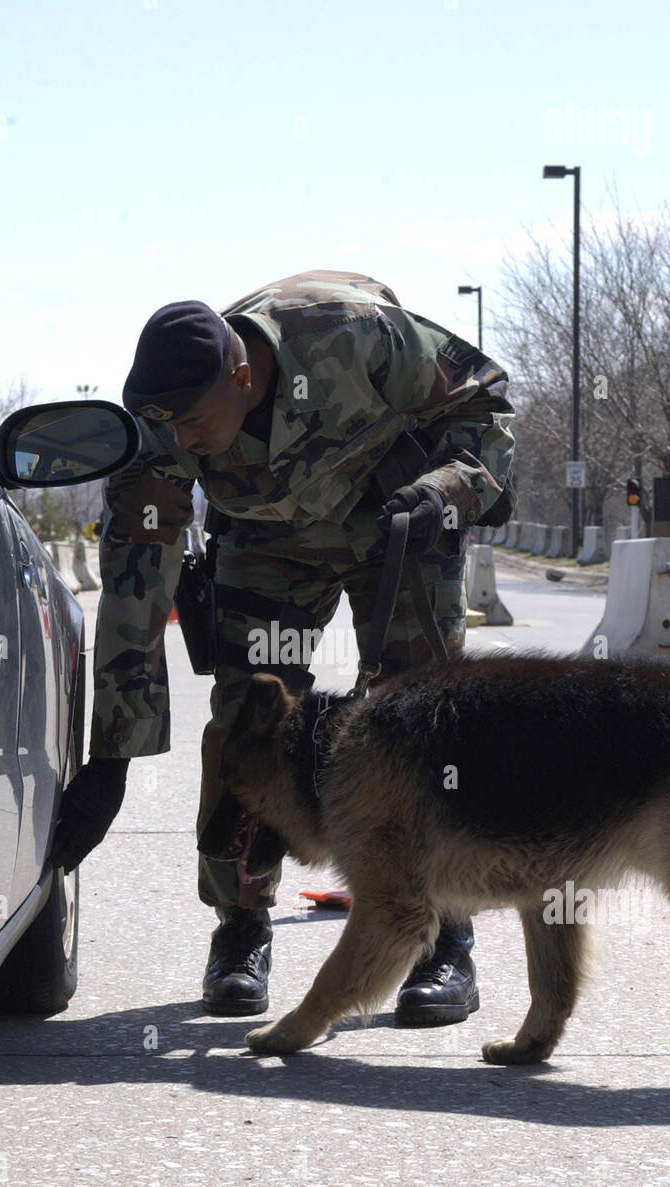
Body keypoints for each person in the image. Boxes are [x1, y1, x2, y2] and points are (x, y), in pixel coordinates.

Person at [50, 270, 515, 1025]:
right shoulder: (157, 435)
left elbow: (485, 397)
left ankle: (444, 939)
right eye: (170, 428)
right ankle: (240, 928)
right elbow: (136, 591)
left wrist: (450, 489)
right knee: (245, 721)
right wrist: (111, 761)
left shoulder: (352, 332)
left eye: (198, 423)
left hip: (396, 520)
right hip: (267, 543)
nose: (184, 442)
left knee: (421, 720)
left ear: (242, 375)